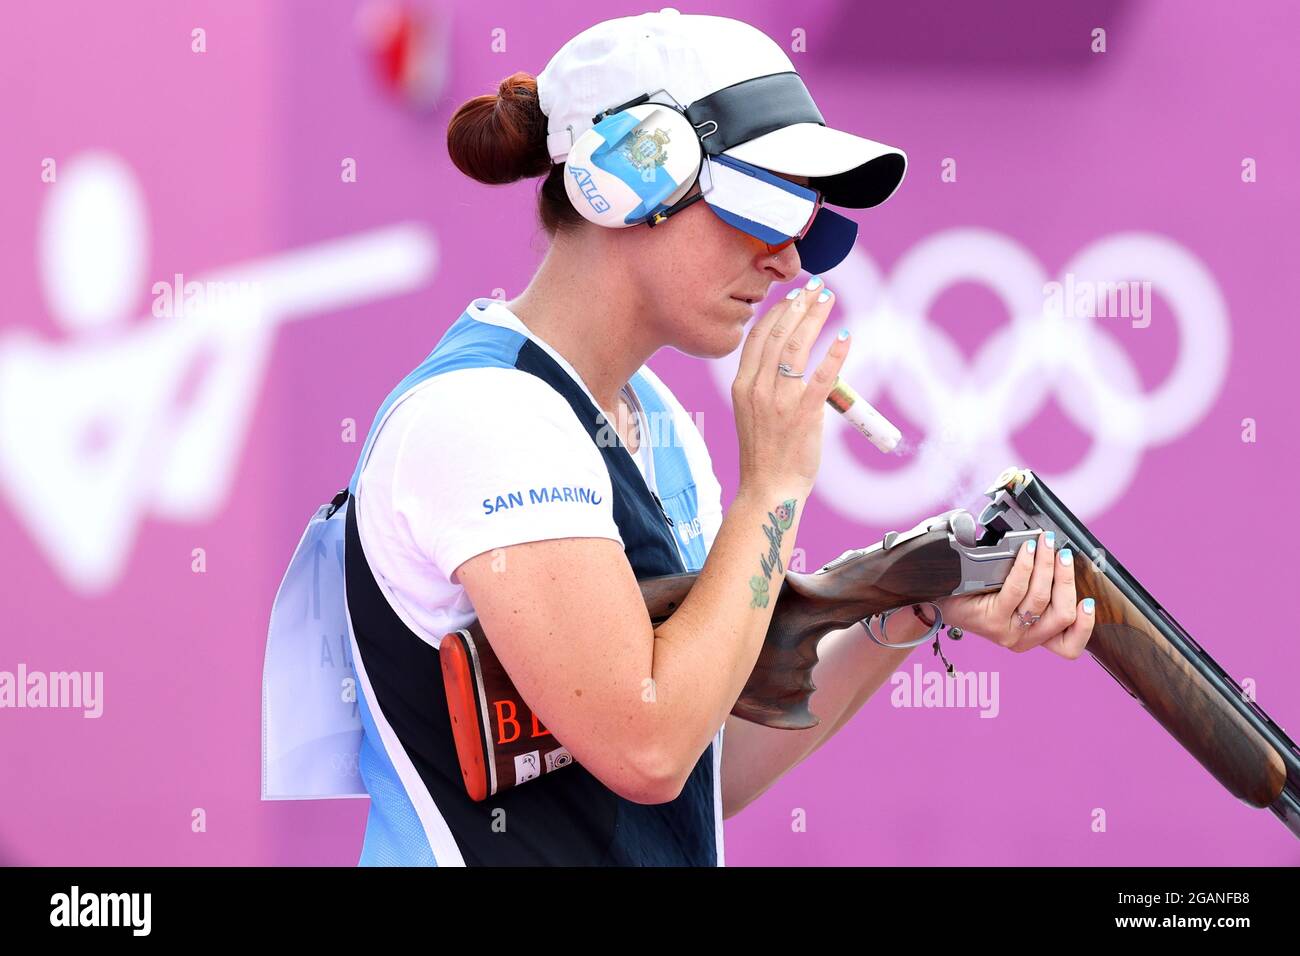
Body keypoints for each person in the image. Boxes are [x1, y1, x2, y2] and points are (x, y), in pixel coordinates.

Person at [342, 9, 1095, 867]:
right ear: (628, 177)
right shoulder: (489, 416)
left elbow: (709, 759)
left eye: (812, 223)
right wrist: (772, 486)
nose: (792, 261)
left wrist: (915, 600)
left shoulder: (658, 419)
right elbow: (648, 748)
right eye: (768, 204)